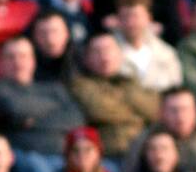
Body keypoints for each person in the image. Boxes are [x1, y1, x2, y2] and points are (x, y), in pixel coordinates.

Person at [0, 36, 86, 172]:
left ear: (33, 61)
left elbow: (76, 119)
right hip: (24, 154)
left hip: (64, 154)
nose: (17, 62)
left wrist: (32, 119)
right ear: (0, 63)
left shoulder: (53, 88)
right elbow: (13, 109)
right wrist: (55, 106)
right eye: (10, 57)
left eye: (23, 56)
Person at [69, 32, 161, 162]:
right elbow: (99, 110)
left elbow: (154, 110)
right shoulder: (81, 85)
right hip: (109, 154)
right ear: (87, 59)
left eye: (108, 50)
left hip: (143, 153)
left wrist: (120, 103)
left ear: (120, 54)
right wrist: (137, 115)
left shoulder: (132, 81)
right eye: (97, 51)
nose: (104, 56)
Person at [114, 0, 184, 93]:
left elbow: (176, 88)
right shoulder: (107, 54)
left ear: (148, 18)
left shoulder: (166, 53)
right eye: (125, 17)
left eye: (135, 16)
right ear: (118, 20)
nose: (131, 23)